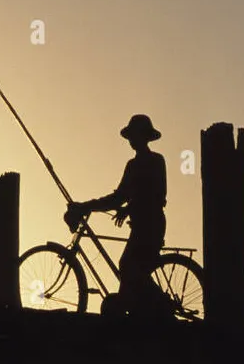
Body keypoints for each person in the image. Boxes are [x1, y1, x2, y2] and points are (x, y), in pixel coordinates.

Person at [65, 115, 171, 317]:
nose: (132, 140)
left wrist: (127, 208)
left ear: (143, 137)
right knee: (132, 270)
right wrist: (87, 206)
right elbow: (118, 197)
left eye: (134, 135)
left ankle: (161, 306)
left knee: (129, 267)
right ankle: (138, 308)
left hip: (151, 225)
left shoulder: (156, 161)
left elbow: (155, 194)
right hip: (142, 226)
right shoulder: (134, 165)